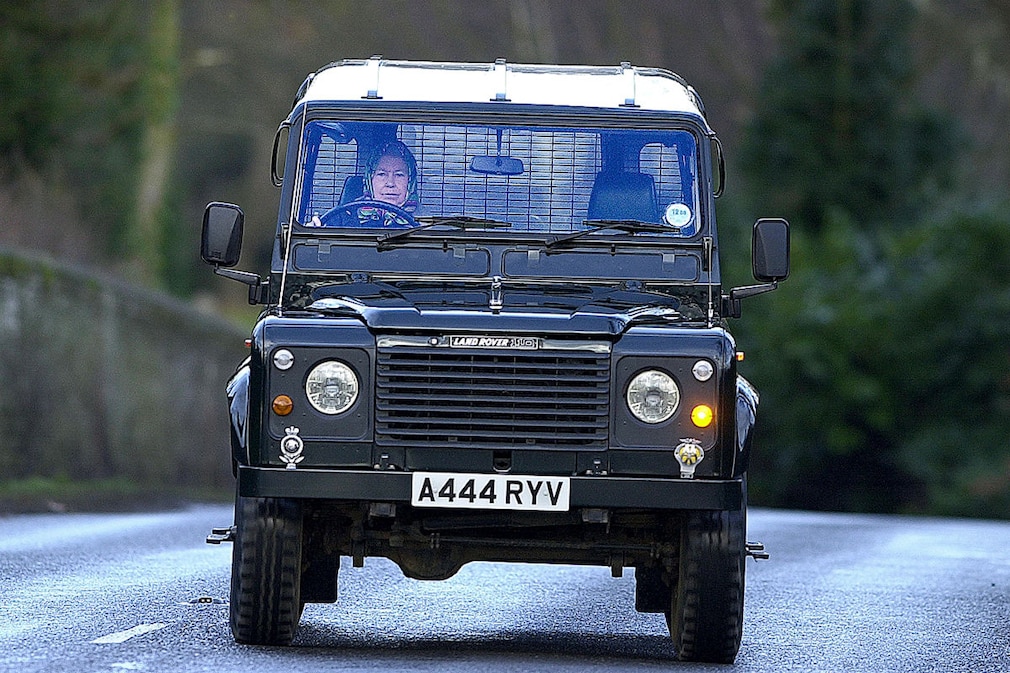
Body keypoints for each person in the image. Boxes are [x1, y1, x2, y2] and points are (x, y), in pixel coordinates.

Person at [358, 140, 421, 226]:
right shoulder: (346, 216)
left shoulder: (426, 222)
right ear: (370, 180)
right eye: (382, 174)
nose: (390, 183)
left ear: (410, 182)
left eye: (399, 175)